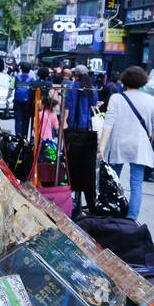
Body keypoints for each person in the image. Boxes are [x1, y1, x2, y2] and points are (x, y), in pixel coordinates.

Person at [98, 66, 154, 221]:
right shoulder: (151, 100)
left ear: (124, 80)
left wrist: (102, 146)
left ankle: (113, 209)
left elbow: (108, 123)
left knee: (113, 179)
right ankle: (131, 217)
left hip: (118, 144)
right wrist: (150, 138)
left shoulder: (117, 98)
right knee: (136, 183)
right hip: (139, 146)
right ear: (143, 82)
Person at [63, 64, 100, 214]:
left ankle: (75, 200)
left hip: (73, 128)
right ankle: (83, 200)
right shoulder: (91, 87)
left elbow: (68, 106)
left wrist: (64, 122)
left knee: (73, 161)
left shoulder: (72, 86)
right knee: (85, 163)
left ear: (75, 75)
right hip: (87, 129)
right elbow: (94, 104)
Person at [12, 62, 36, 145]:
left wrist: (7, 99)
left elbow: (11, 87)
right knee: (26, 119)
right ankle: (24, 135)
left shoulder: (16, 77)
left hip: (17, 100)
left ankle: (18, 134)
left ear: (21, 69)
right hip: (27, 102)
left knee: (18, 119)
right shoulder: (31, 79)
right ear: (29, 70)